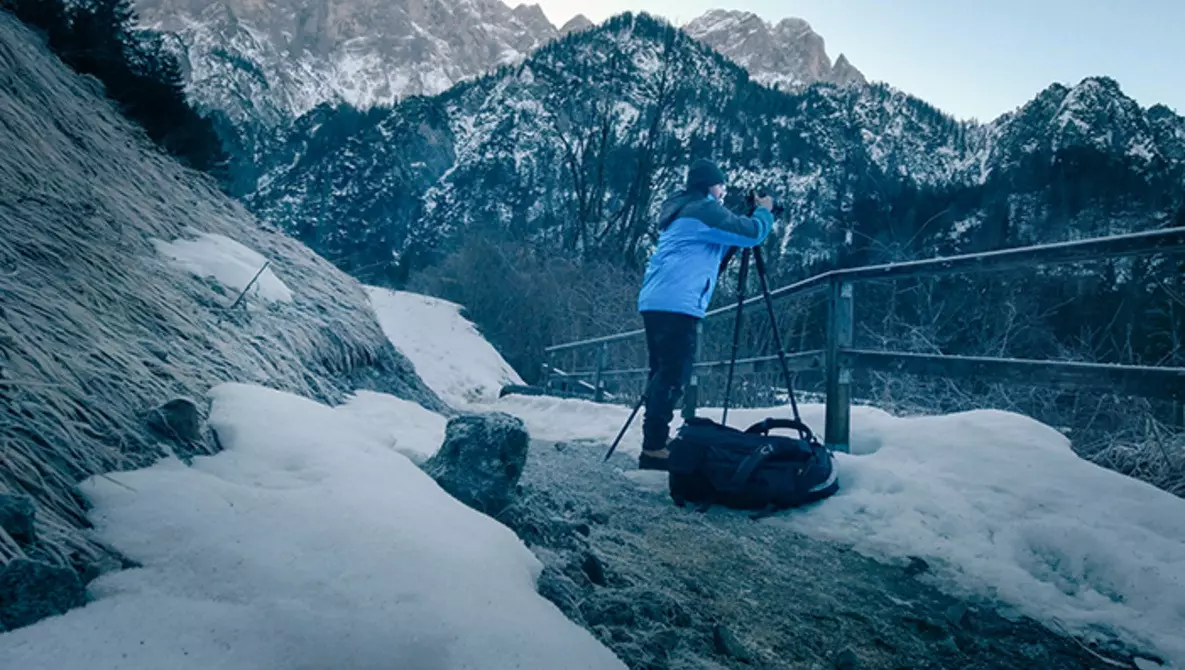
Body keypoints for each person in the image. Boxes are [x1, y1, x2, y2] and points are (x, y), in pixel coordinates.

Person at [634, 158, 774, 470]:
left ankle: (655, 440)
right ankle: (654, 448)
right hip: (677, 304)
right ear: (709, 185)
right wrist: (764, 211)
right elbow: (751, 234)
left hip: (658, 299)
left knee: (662, 373)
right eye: (721, 185)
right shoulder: (703, 209)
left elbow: (722, 247)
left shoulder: (684, 209)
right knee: (672, 376)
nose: (724, 191)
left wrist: (743, 218)